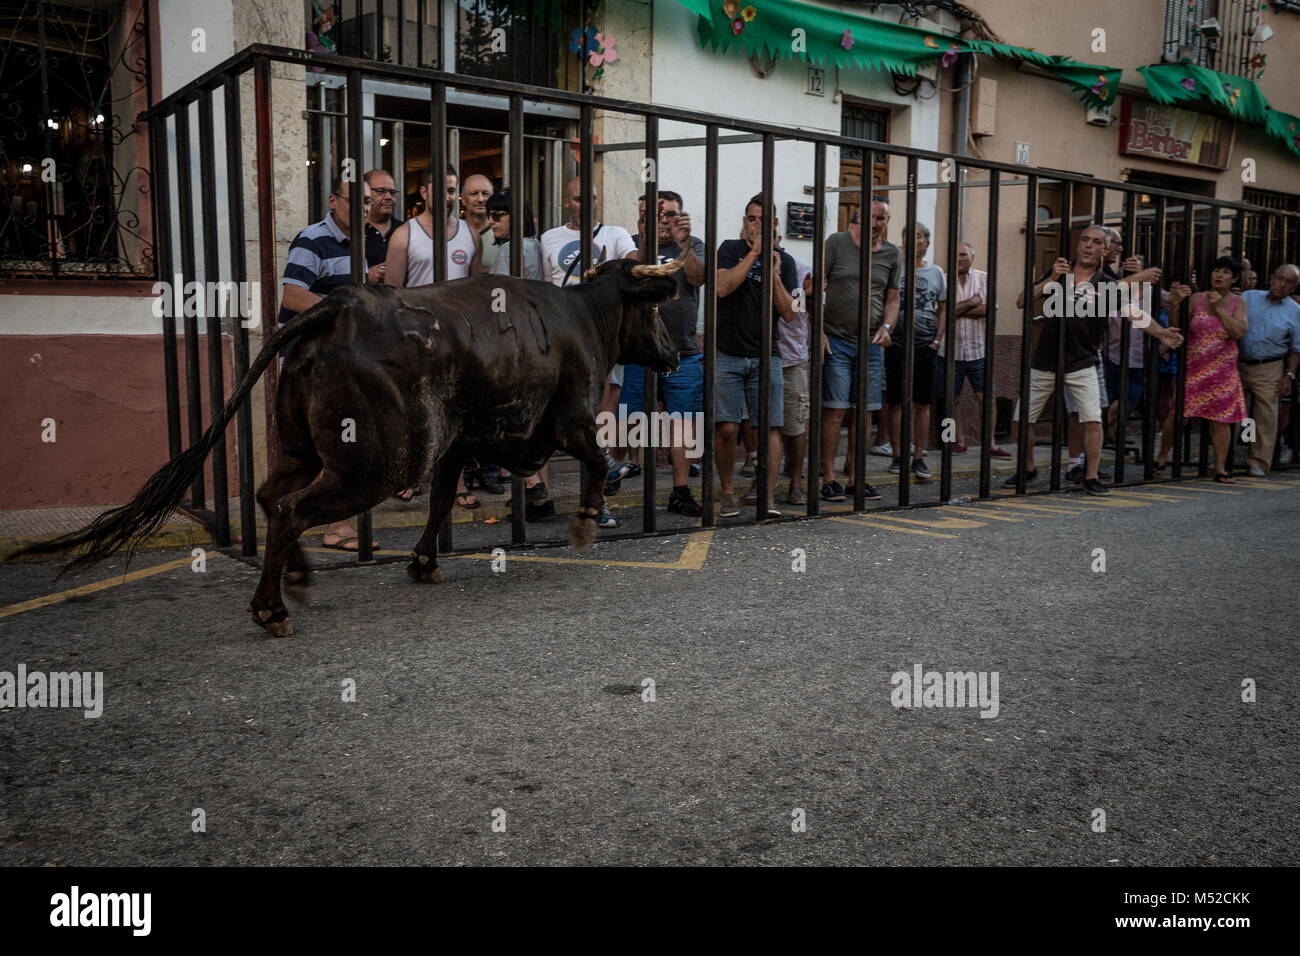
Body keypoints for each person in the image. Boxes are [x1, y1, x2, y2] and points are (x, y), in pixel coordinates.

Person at [1005, 224, 1183, 495]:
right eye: (1085, 240)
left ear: (1103, 250)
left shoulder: (1107, 284)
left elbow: (1131, 312)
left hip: (1082, 361)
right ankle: (1028, 468)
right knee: (1021, 421)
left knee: (1092, 420)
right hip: (1046, 359)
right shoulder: (1059, 274)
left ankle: (1090, 476)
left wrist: (1161, 333)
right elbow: (1022, 301)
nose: (1089, 245)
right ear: (1078, 246)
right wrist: (1051, 277)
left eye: (1096, 242)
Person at [278, 173, 382, 551]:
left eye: (368, 202)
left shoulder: (357, 242)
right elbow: (292, 296)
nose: (364, 209)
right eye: (356, 201)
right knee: (342, 442)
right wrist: (344, 307)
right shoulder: (313, 238)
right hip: (308, 356)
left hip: (334, 355)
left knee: (335, 442)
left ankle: (317, 522)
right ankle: (335, 527)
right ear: (332, 200)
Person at [384, 165, 485, 508]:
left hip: (459, 340)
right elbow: (392, 294)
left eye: (453, 189)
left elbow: (475, 290)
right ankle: (409, 476)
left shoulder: (470, 235)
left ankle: (455, 485)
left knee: (455, 415)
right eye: (441, 189)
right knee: (414, 411)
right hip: (418, 338)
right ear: (424, 192)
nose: (448, 196)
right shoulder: (404, 235)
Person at [539, 177, 638, 527]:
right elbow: (540, 288)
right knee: (562, 418)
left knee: (602, 421)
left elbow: (635, 264)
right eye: (580, 199)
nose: (588, 204)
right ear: (567, 202)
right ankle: (540, 493)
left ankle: (599, 501)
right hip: (562, 342)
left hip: (602, 341)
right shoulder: (549, 238)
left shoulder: (615, 234)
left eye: (593, 198)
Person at [623, 190, 707, 516]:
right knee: (627, 420)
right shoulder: (631, 243)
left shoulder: (692, 244)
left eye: (669, 214)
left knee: (682, 424)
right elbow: (629, 278)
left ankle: (680, 491)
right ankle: (618, 472)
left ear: (681, 216)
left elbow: (699, 278)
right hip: (638, 351)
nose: (662, 220)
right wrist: (646, 239)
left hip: (681, 352)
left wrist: (683, 243)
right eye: (653, 214)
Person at [714, 194, 799, 518]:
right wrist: (754, 253)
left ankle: (767, 497)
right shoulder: (729, 249)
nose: (757, 225)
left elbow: (789, 313)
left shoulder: (786, 262)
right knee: (726, 428)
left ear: (775, 224)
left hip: (767, 355)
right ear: (744, 221)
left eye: (764, 220)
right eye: (752, 218)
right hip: (728, 354)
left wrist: (775, 273)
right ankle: (727, 492)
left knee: (769, 428)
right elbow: (722, 288)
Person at [818, 201, 898, 502]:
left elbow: (892, 299)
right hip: (837, 340)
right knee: (836, 410)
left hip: (871, 345)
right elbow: (815, 288)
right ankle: (828, 478)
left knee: (863, 413)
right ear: (860, 217)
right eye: (874, 218)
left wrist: (888, 327)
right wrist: (820, 331)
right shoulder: (836, 244)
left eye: (883, 219)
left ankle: (856, 479)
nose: (878, 224)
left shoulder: (892, 254)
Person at [1164, 257, 1248, 482]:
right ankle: (1161, 457)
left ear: (1235, 278)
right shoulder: (1196, 299)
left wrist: (1220, 308)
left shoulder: (1237, 303)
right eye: (1216, 270)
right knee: (1178, 414)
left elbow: (1238, 332)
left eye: (1226, 272)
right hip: (1194, 368)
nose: (1219, 275)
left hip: (1223, 371)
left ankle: (1220, 467)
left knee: (1221, 420)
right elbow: (1177, 327)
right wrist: (1175, 305)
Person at [937, 240, 1011, 459]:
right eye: (956, 254)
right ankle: (954, 440)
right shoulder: (942, 280)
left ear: (972, 257)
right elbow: (940, 313)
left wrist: (955, 309)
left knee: (988, 398)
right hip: (949, 352)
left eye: (963, 255)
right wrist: (972, 302)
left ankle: (990, 443)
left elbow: (988, 310)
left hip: (978, 351)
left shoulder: (984, 278)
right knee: (950, 400)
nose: (959, 258)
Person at [886, 223, 945, 481]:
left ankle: (918, 456)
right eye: (908, 236)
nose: (914, 241)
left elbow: (944, 307)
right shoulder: (894, 267)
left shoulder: (936, 272)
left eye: (919, 237)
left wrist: (937, 341)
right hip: (896, 342)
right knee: (896, 400)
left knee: (923, 402)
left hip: (925, 344)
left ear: (927, 244)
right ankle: (898, 454)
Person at [1237, 264, 1300, 476]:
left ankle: (1258, 461)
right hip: (1239, 361)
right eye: (1279, 278)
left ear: (1295, 287)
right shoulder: (1250, 297)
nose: (1282, 284)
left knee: (1265, 415)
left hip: (1269, 365)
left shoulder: (1295, 311)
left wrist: (1288, 376)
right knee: (1239, 412)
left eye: (1289, 282)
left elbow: (1296, 347)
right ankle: (1239, 450)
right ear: (1271, 278)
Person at [486, 190, 543, 280]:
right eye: (488, 215)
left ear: (516, 215)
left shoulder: (510, 249)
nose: (490, 221)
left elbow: (500, 290)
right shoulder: (534, 243)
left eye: (496, 215)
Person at [461, 173, 497, 271]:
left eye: (485, 194)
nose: (480, 199)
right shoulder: (453, 234)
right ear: (463, 199)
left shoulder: (502, 234)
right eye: (474, 193)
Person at [364, 168, 403, 249]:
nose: (388, 197)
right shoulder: (354, 232)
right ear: (365, 192)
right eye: (380, 191)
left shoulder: (406, 230)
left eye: (392, 192)